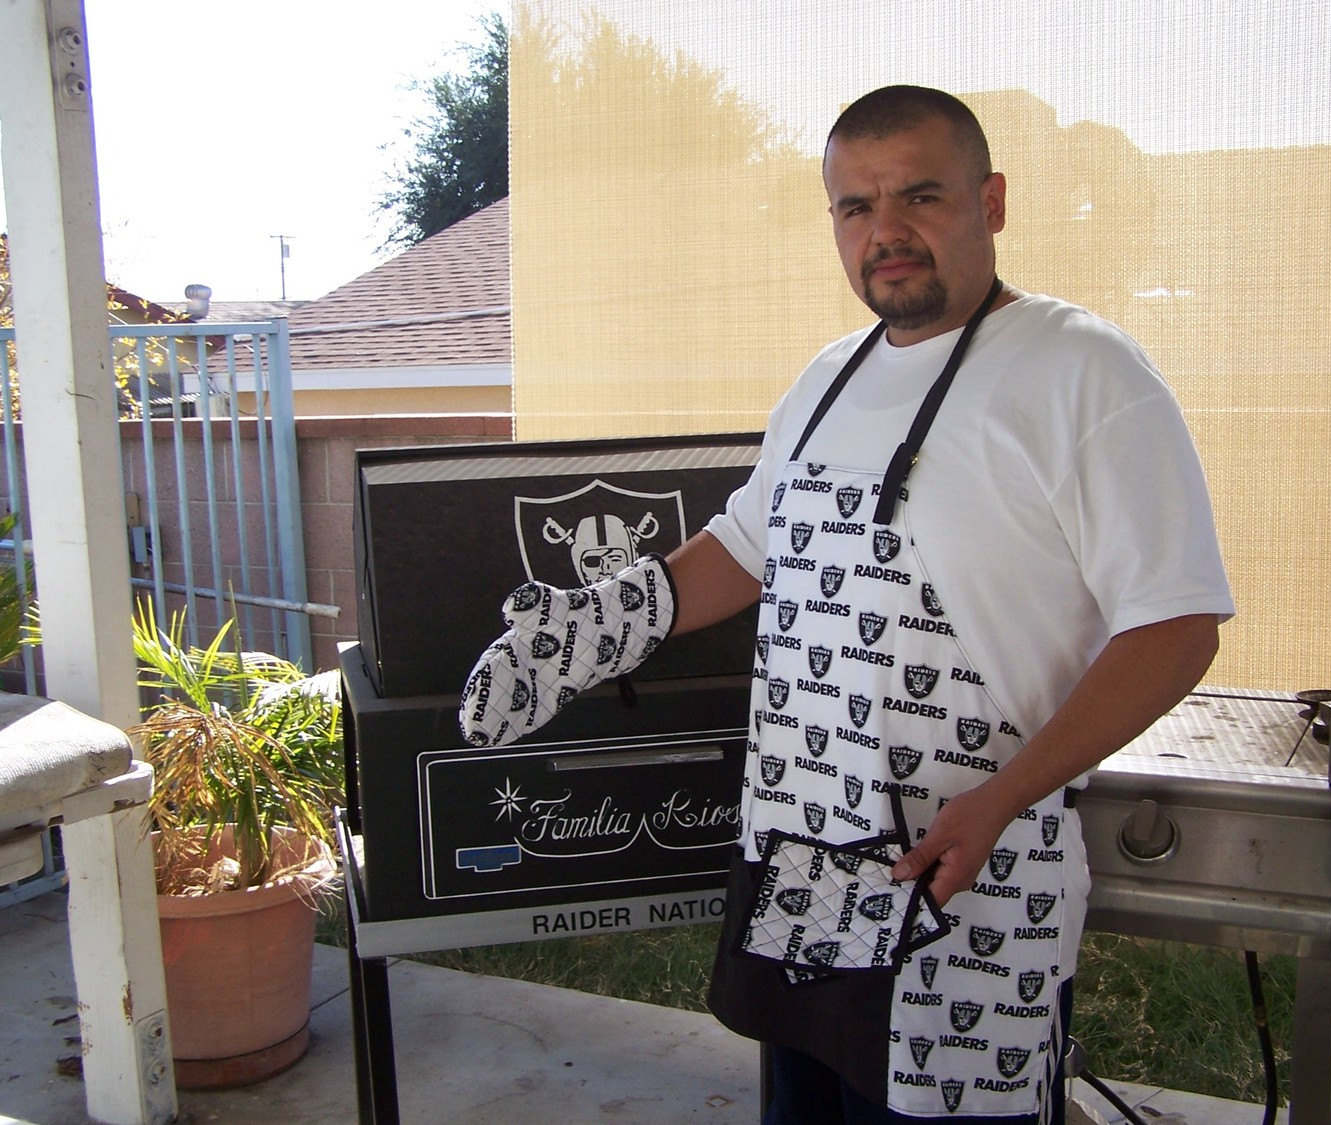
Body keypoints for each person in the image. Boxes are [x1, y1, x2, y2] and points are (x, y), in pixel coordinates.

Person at [462, 84, 1232, 1124]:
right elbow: (747, 546)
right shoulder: (827, 380)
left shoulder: (1084, 373)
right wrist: (599, 626)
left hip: (970, 878)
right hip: (806, 865)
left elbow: (1175, 626)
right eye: (856, 208)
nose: (888, 233)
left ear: (992, 201)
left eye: (921, 197)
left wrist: (1002, 799)